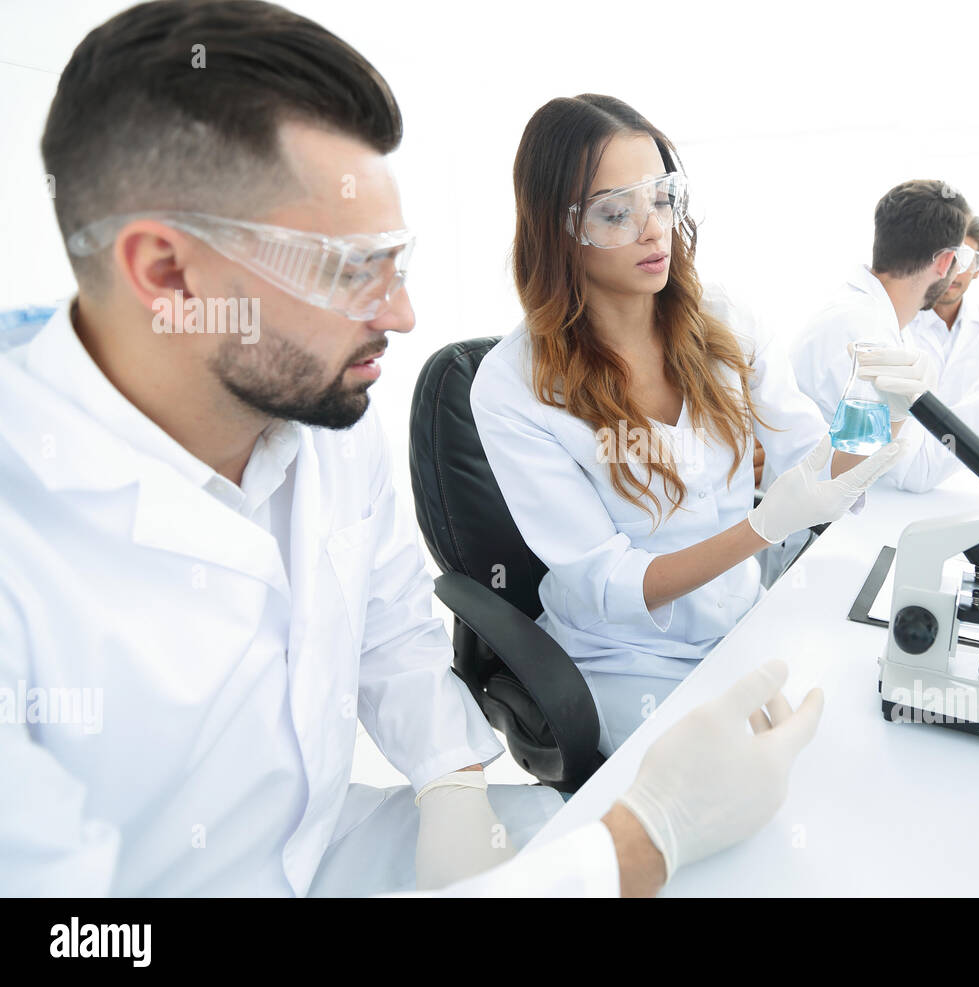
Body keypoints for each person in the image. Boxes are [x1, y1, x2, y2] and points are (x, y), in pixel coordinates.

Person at [0, 0, 820, 899]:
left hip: (333, 847)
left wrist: (451, 788)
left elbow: (391, 626)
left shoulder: (317, 422)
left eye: (397, 260)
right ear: (166, 274)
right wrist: (638, 844)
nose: (402, 316)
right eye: (353, 268)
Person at [470, 94, 906, 755]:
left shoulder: (725, 320)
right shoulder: (514, 388)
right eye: (616, 212)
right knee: (728, 788)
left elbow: (815, 466)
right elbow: (612, 585)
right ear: (558, 230)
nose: (654, 230)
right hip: (624, 661)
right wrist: (760, 528)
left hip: (742, 620)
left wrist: (878, 407)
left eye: (662, 198)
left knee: (856, 742)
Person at [792, 181, 979, 493]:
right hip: (822, 525)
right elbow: (917, 471)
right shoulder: (864, 331)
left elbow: (918, 446)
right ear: (946, 262)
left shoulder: (880, 318)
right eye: (963, 258)